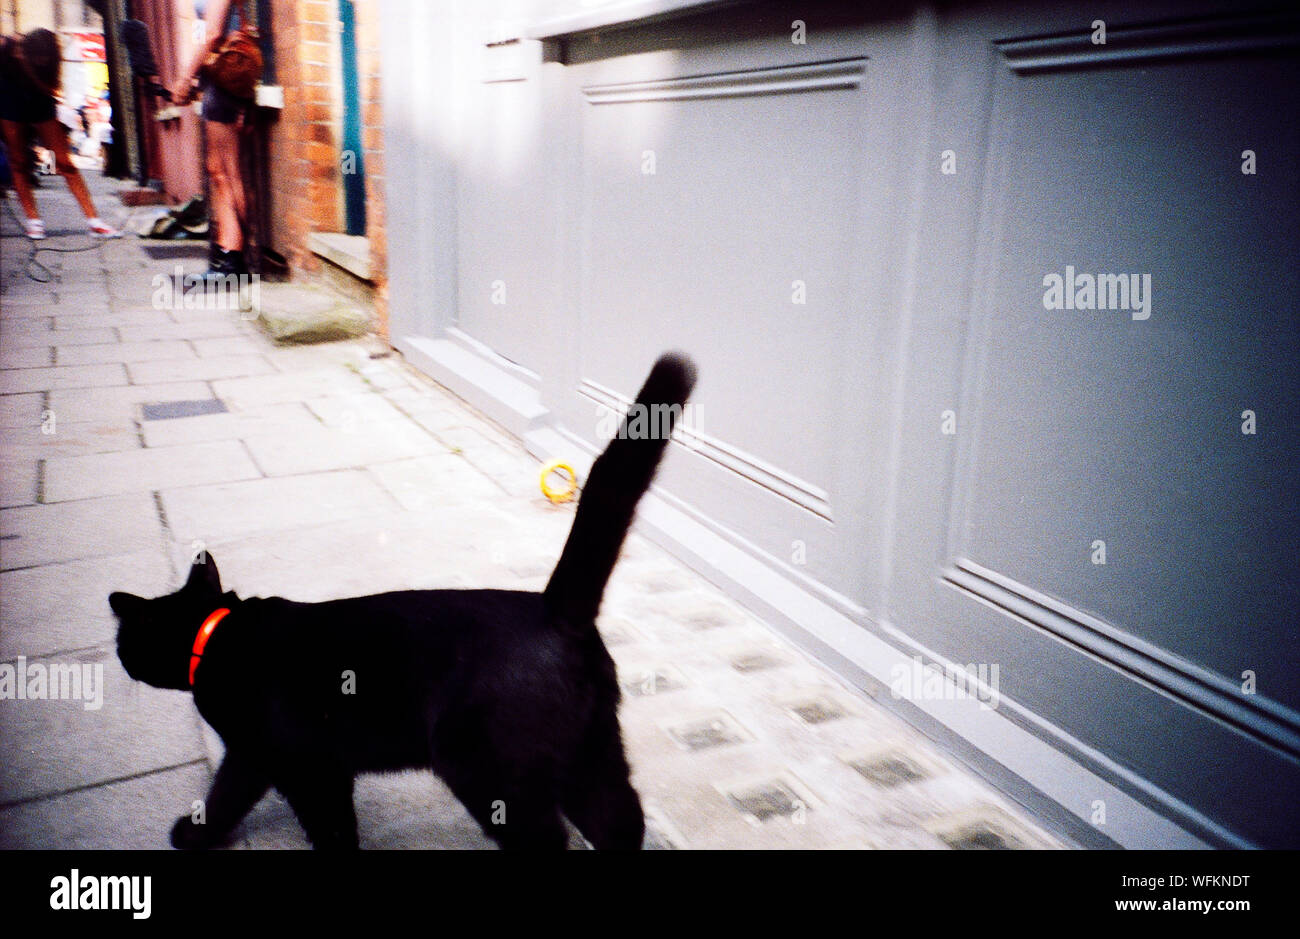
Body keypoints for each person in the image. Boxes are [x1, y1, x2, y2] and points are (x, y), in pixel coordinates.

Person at [0, 29, 121, 239]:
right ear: (26, 51)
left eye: (45, 58)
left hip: (40, 101)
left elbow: (51, 89)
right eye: (37, 57)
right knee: (18, 161)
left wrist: (32, 72)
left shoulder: (51, 63)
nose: (41, 61)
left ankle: (95, 221)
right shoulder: (6, 50)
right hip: (9, 99)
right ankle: (34, 221)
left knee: (65, 163)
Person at [174, 0, 255, 276]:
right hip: (218, 82)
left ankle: (234, 257)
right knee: (218, 170)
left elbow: (212, 35)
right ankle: (227, 252)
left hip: (223, 83)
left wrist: (185, 79)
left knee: (227, 173)